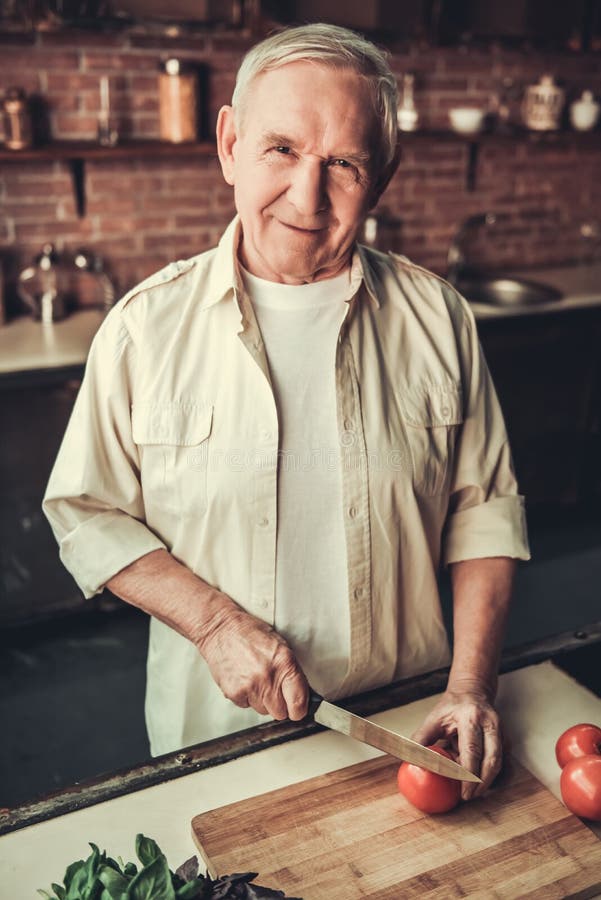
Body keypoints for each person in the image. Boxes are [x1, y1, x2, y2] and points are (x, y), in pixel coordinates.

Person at [43, 23, 530, 799]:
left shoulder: (439, 318)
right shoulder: (144, 326)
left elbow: (485, 512)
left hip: (409, 726)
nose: (307, 195)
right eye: (281, 149)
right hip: (217, 740)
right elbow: (86, 511)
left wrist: (471, 685)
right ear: (230, 142)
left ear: (383, 177)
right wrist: (210, 623)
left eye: (341, 162)